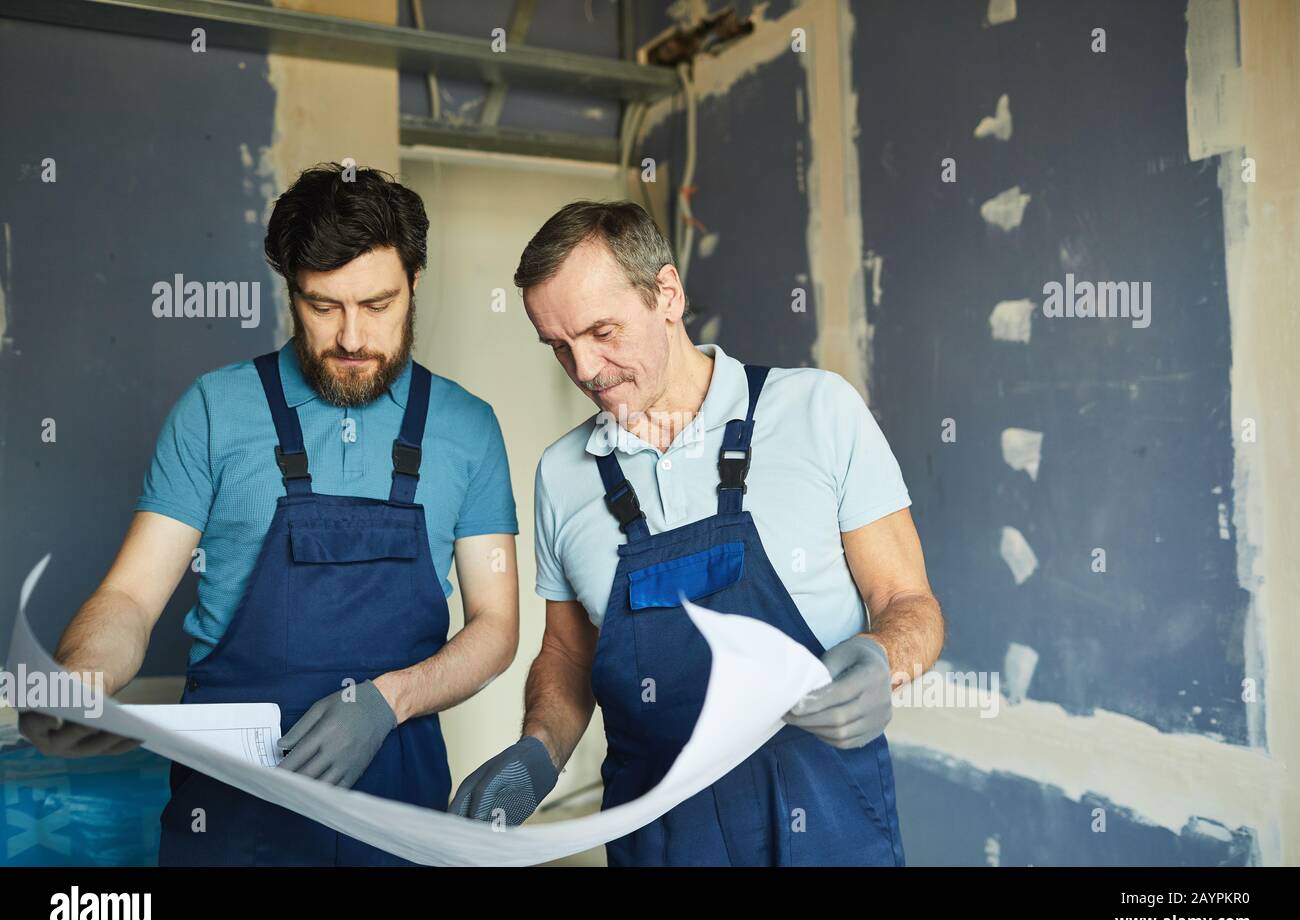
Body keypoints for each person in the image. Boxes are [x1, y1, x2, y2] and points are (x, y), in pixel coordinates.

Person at [19, 163, 520, 866]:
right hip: (231, 821)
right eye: (323, 306)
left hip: (398, 813)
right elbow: (130, 596)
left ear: (414, 283)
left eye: (378, 305)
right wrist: (80, 680)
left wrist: (389, 702)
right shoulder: (214, 411)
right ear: (290, 289)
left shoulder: (468, 428)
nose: (351, 337)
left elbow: (496, 627)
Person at [451, 200, 944, 866]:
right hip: (662, 837)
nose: (587, 369)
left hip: (825, 819)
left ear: (667, 294)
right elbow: (569, 657)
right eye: (560, 347)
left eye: (603, 331)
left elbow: (909, 604)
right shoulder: (563, 477)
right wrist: (537, 752)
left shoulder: (816, 412)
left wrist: (884, 660)